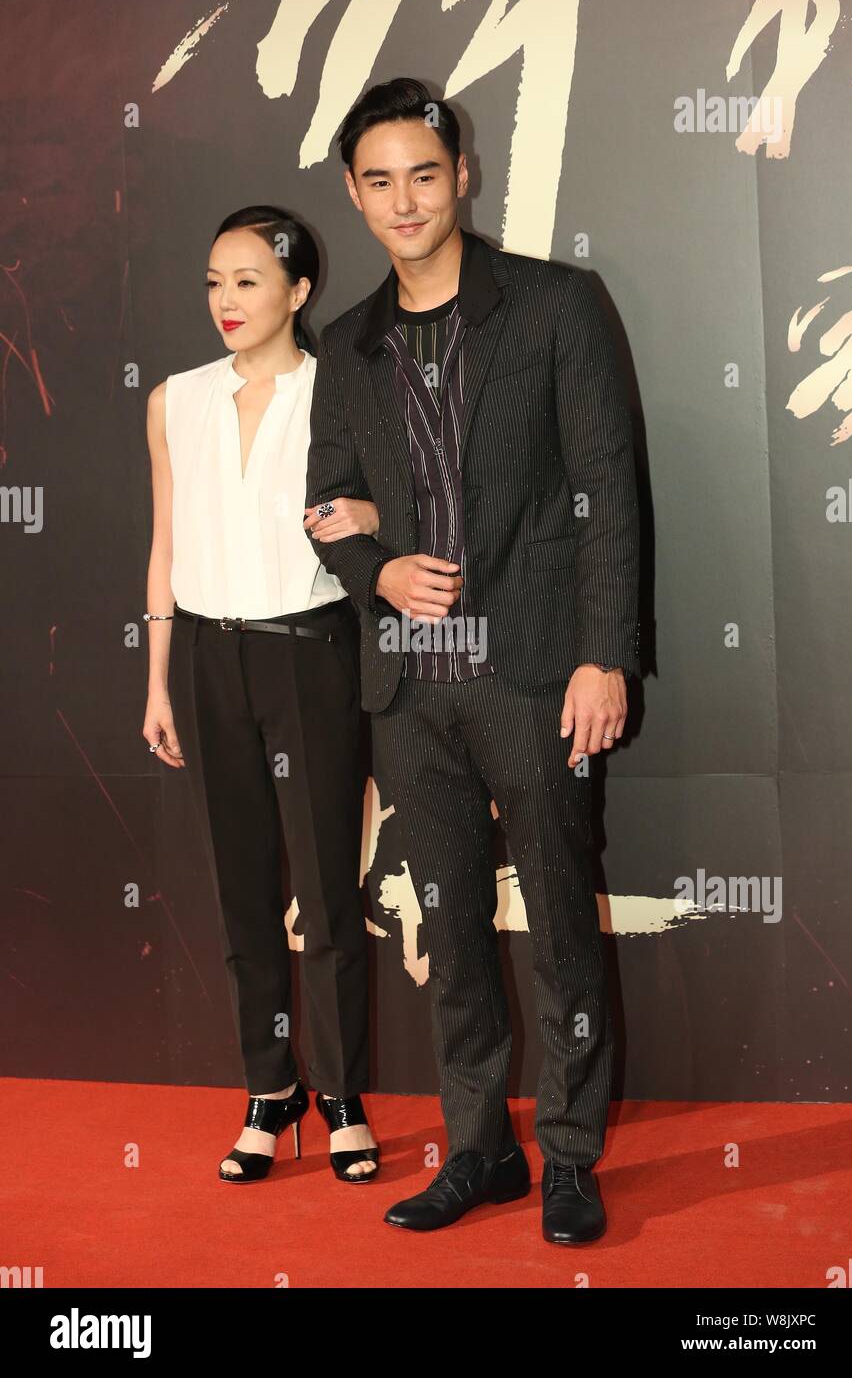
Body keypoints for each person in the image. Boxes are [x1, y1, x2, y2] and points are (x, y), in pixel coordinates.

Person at [305, 80, 640, 1242]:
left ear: (463, 176)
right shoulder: (346, 348)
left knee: (556, 929)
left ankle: (566, 1157)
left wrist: (606, 659)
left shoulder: (555, 305)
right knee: (450, 937)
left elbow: (609, 499)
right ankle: (478, 1152)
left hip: (535, 673)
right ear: (353, 194)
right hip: (409, 686)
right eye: (378, 180)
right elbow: (327, 503)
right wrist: (378, 574)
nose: (404, 199)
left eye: (424, 174)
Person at [143, 205, 379, 1184]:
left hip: (310, 653)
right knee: (241, 889)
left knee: (325, 893)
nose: (226, 301)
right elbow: (164, 541)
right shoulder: (173, 399)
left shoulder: (344, 393)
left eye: (247, 280)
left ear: (298, 290)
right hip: (205, 655)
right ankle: (266, 1089)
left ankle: (340, 1094)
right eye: (212, 281)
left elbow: (375, 525)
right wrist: (157, 676)